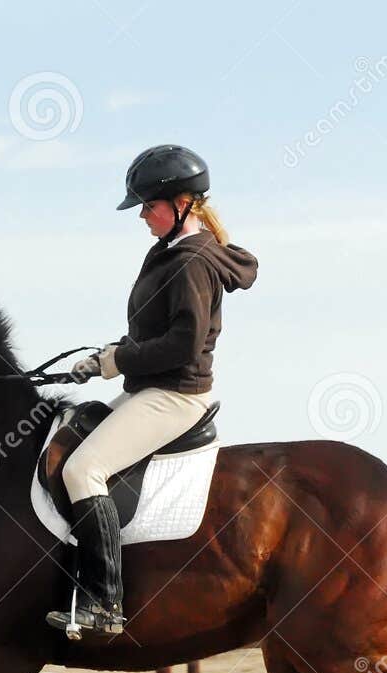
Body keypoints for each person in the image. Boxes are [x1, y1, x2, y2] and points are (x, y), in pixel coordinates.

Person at [46, 144, 259, 636]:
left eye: (149, 205)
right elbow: (153, 334)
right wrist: (106, 357)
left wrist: (117, 360)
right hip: (150, 388)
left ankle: (104, 604)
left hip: (175, 395)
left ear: (182, 203)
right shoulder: (169, 253)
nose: (143, 215)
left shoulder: (192, 263)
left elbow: (182, 346)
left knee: (83, 469)